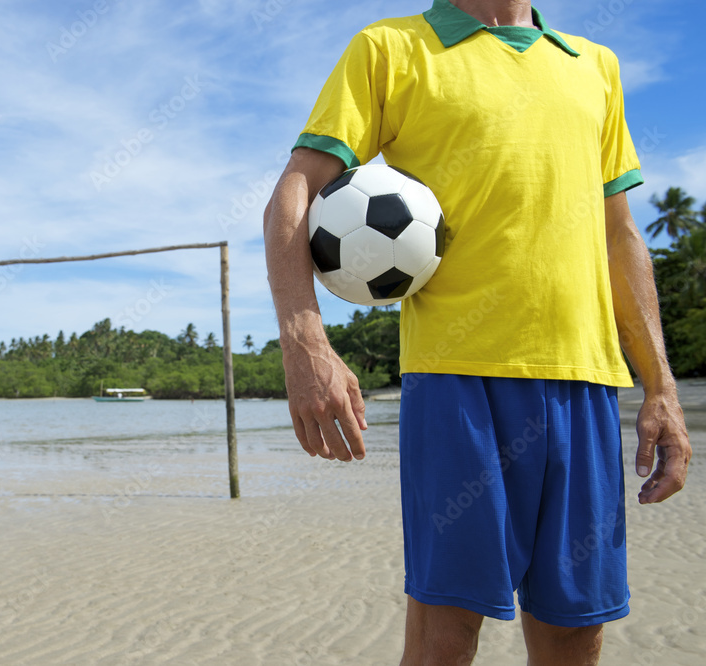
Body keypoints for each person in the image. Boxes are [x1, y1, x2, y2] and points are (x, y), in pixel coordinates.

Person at [262, 1, 692, 664]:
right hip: (455, 381)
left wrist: (661, 387)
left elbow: (620, 235)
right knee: (445, 636)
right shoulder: (389, 48)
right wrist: (304, 339)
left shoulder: (593, 66)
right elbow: (297, 187)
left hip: (587, 381)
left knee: (577, 633)